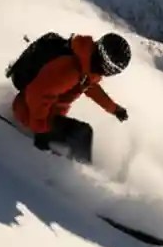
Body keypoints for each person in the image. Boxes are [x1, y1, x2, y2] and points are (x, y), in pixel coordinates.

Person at [12, 33, 131, 163]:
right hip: (29, 111)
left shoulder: (85, 63)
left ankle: (73, 165)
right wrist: (41, 129)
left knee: (80, 134)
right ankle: (79, 174)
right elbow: (37, 92)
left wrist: (114, 109)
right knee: (81, 134)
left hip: (43, 113)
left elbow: (90, 88)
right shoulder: (71, 69)